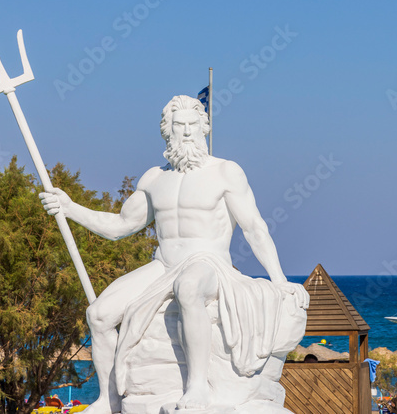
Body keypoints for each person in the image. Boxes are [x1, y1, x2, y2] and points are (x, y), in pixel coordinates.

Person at [40, 95, 308, 412]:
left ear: (204, 128)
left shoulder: (226, 172)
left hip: (209, 262)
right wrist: (71, 209)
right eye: (178, 125)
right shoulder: (154, 179)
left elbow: (254, 228)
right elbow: (120, 226)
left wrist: (278, 279)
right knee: (98, 315)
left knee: (189, 287)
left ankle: (197, 388)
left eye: (192, 125)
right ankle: (108, 398)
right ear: (166, 130)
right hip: (163, 264)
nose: (186, 132)